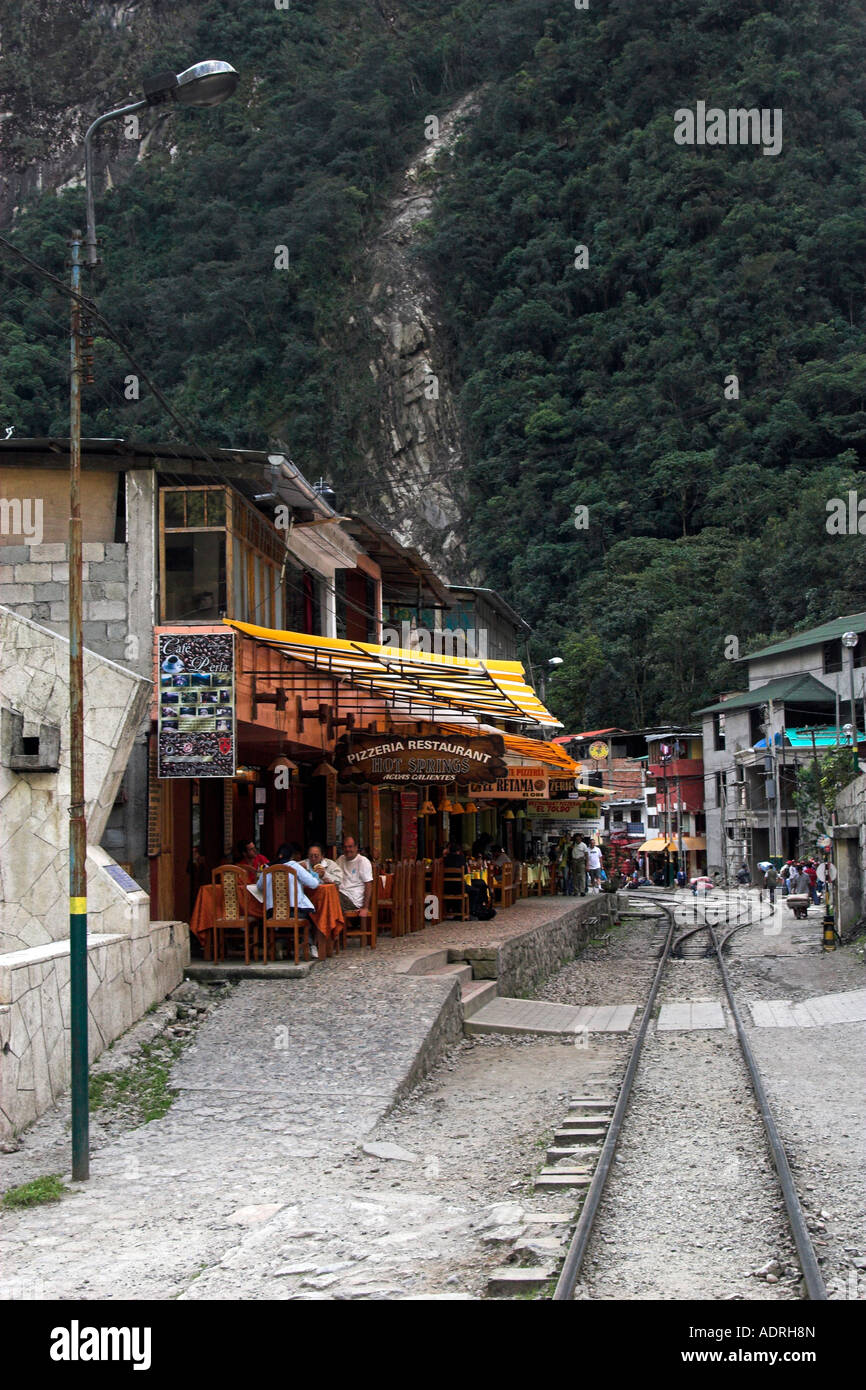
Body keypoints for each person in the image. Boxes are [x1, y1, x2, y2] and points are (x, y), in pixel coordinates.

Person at [256, 842, 321, 957]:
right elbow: (314, 884)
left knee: (282, 922)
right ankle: (309, 945)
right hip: (294, 911)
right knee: (311, 917)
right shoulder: (294, 866)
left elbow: (259, 886)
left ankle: (280, 942)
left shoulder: (268, 867)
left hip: (273, 912)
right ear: (292, 856)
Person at [336, 834, 374, 919]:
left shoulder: (363, 861)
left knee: (330, 898)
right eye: (345, 847)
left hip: (353, 901)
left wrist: (365, 908)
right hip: (340, 895)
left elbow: (368, 885)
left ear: (356, 847)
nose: (347, 849)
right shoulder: (340, 859)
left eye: (350, 846)